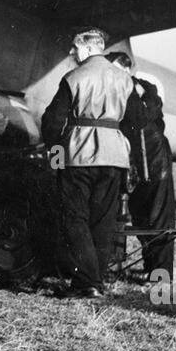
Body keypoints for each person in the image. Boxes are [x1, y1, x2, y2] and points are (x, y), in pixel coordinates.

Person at [40, 28, 135, 298]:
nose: (72, 52)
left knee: (75, 218)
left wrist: (56, 154)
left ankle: (86, 283)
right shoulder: (125, 80)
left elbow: (52, 122)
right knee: (104, 221)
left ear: (89, 48)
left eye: (75, 47)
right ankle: (96, 281)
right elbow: (137, 119)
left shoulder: (73, 77)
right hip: (115, 157)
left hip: (79, 155)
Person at [111, 50, 176, 284]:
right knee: (141, 218)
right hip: (140, 162)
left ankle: (160, 275)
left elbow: (139, 119)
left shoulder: (137, 90)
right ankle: (154, 269)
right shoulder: (142, 89)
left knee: (157, 219)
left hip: (154, 162)